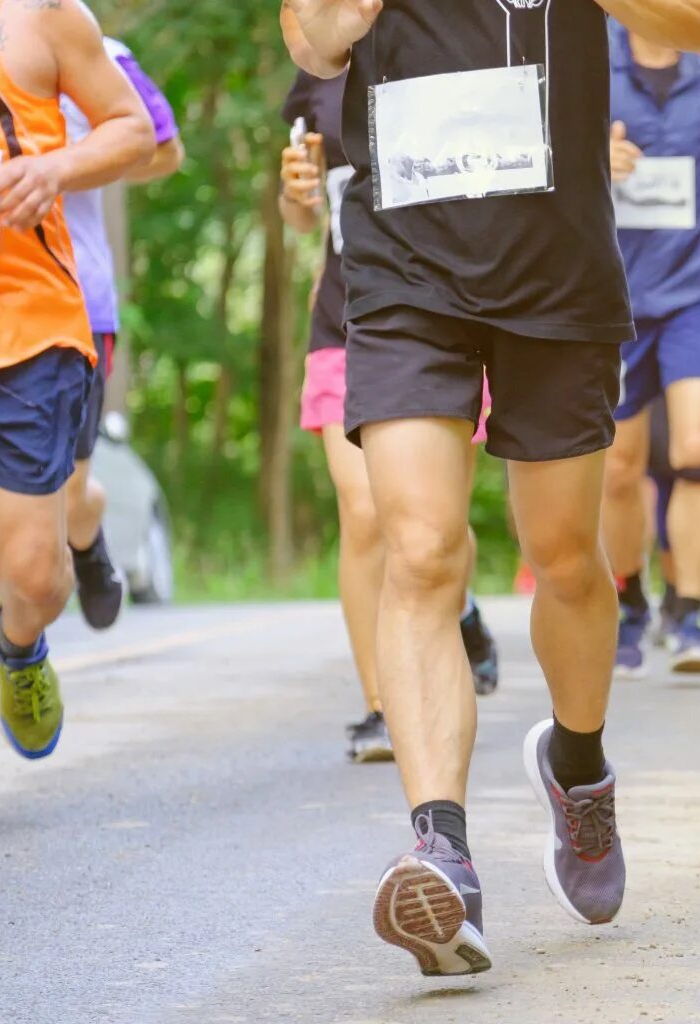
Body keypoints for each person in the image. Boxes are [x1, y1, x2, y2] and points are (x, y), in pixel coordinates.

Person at [280, 0, 700, 978]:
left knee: (567, 560)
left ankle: (578, 764)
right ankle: (441, 851)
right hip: (402, 267)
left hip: (556, 272)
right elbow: (310, 43)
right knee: (420, 546)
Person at [278, 68, 500, 765]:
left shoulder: (448, 42)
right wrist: (295, 194)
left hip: (448, 320)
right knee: (366, 510)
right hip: (345, 322)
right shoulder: (315, 67)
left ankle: (455, 610)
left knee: (432, 527)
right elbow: (303, 215)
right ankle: (381, 706)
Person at [0, 0, 154, 824]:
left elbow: (133, 129)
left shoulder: (40, 14)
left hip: (26, 332)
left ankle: (19, 644)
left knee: (35, 581)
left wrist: (56, 168)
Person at [602, 22, 700, 677]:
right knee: (618, 468)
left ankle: (689, 611)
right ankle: (629, 599)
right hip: (609, 297)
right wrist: (593, 154)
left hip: (695, 296)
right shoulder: (588, 52)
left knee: (695, 448)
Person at [59, 37, 183, 633]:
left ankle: (86, 534)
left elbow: (165, 147)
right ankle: (8, 649)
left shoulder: (88, 44)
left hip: (74, 301)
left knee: (67, 488)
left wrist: (65, 163)